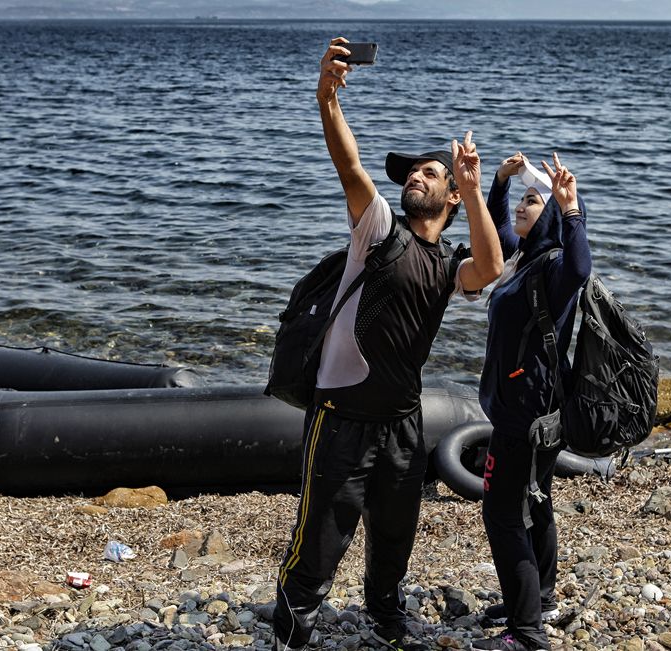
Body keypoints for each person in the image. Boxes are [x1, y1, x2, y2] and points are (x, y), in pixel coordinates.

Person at [272, 37, 504, 651]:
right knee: (321, 534)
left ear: (452, 196)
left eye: (430, 174)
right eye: (413, 175)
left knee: (396, 532)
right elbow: (350, 166)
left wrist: (477, 189)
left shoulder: (452, 262)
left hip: (402, 421)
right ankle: (292, 625)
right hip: (341, 415)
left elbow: (492, 266)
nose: (415, 180)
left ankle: (384, 610)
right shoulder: (378, 231)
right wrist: (327, 99)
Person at [471, 150, 591, 651]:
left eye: (530, 201)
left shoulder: (556, 267)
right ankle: (538, 599)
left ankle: (526, 633)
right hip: (526, 408)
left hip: (526, 413)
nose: (521, 208)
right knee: (537, 504)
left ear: (551, 218)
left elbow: (583, 266)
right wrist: (498, 182)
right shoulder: (522, 257)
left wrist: (571, 209)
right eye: (523, 200)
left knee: (501, 514)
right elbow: (495, 234)